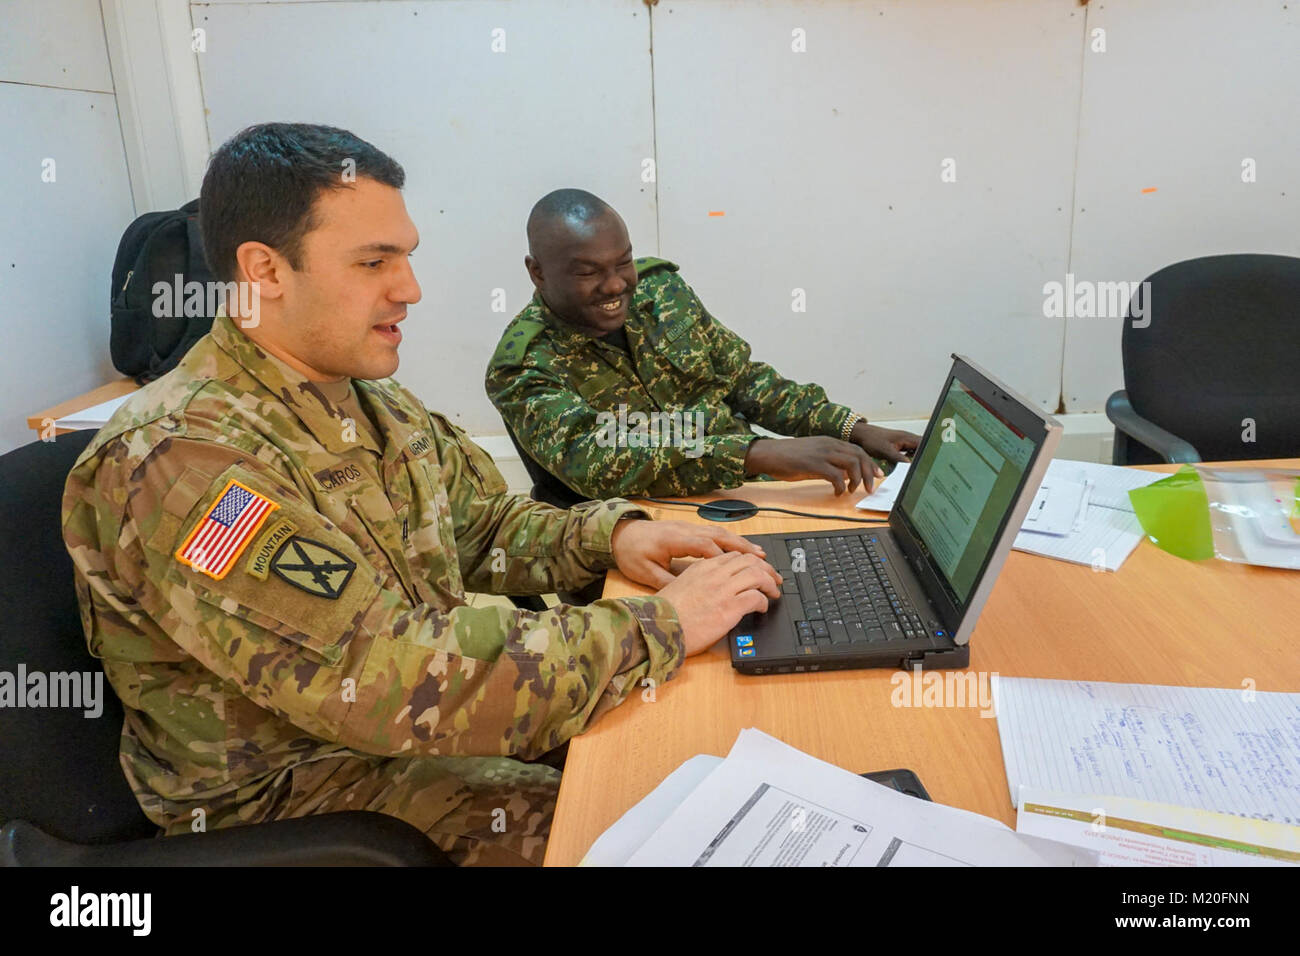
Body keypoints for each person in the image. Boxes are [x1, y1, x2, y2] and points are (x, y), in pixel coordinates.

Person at [62, 124, 780, 866]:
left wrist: (615, 537)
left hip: (402, 742)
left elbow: (483, 527)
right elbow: (383, 677)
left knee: (690, 763)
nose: (410, 289)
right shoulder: (183, 462)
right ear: (265, 270)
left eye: (404, 258)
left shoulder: (368, 400)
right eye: (374, 262)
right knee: (654, 840)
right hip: (304, 802)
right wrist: (657, 625)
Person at [485, 189, 920, 502]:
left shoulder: (660, 291)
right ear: (537, 272)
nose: (616, 284)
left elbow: (746, 381)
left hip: (748, 491)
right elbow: (594, 458)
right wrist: (757, 453)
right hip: (649, 526)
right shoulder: (523, 367)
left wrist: (853, 428)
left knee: (883, 523)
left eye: (623, 262)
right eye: (588, 273)